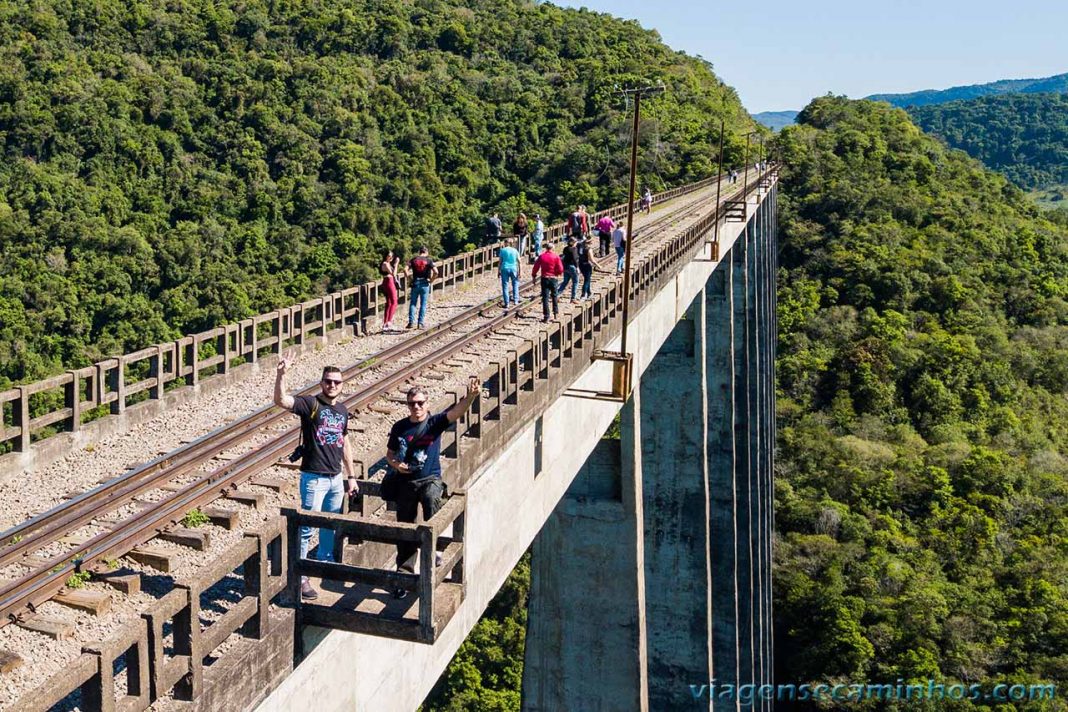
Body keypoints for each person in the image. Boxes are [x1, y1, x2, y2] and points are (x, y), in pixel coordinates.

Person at [385, 377, 481, 598]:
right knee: (405, 528)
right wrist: (397, 465)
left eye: (420, 403)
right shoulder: (400, 427)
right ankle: (404, 575)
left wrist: (471, 396)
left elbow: (456, 412)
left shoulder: (434, 423)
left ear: (427, 404)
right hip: (406, 481)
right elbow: (389, 454)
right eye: (412, 403)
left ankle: (436, 547)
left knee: (431, 500)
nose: (416, 407)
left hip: (429, 478)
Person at [274, 359, 358, 600]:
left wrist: (351, 476)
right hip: (314, 477)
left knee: (330, 524)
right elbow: (281, 401)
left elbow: (344, 443)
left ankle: (324, 564)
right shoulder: (311, 404)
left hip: (335, 478)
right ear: (321, 383)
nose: (332, 385)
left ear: (342, 385)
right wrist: (281, 375)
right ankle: (301, 577)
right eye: (328, 381)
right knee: (307, 528)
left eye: (337, 382)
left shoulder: (342, 410)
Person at [531, 242, 563, 322]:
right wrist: (558, 273)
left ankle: (546, 316)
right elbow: (560, 268)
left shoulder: (542, 256)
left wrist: (534, 276)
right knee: (554, 295)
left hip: (544, 278)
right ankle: (555, 313)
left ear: (546, 248)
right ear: (553, 248)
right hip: (553, 278)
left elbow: (536, 267)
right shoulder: (556, 256)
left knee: (545, 297)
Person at [407, 246, 437, 330]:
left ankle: (411, 322)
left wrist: (410, 279)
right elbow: (436, 272)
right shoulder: (429, 260)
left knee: (413, 303)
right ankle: (420, 323)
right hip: (425, 283)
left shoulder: (413, 260)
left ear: (419, 252)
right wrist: (431, 280)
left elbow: (405, 270)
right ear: (426, 252)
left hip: (415, 283)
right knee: (423, 304)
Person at [379, 249, 400, 332]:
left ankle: (385, 323)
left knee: (389, 303)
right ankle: (389, 322)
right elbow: (393, 274)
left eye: (392, 256)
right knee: (394, 302)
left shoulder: (386, 263)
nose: (391, 258)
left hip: (387, 281)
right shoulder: (385, 264)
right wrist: (396, 264)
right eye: (389, 256)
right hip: (389, 282)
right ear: (385, 256)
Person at [499, 238, 521, 311]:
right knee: (515, 284)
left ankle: (507, 303)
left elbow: (500, 262)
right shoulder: (515, 250)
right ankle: (516, 301)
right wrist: (520, 271)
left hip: (504, 268)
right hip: (514, 269)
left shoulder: (503, 250)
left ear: (505, 243)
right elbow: (519, 262)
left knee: (505, 286)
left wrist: (498, 271)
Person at [557, 236, 580, 302]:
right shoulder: (574, 249)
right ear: (573, 242)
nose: (576, 243)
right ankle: (573, 298)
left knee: (565, 281)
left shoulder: (565, 248)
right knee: (575, 282)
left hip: (565, 266)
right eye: (575, 242)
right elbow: (575, 259)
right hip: (572, 267)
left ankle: (557, 295)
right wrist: (577, 267)